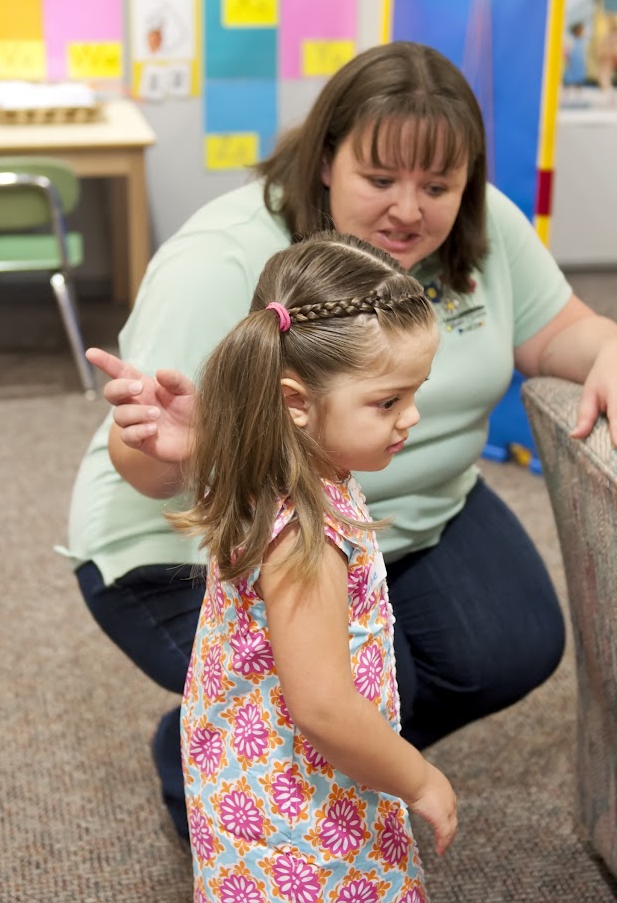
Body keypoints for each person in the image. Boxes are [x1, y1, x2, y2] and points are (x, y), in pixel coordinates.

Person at [67, 40, 617, 840]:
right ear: (326, 161)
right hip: (194, 540)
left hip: (383, 513)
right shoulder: (221, 260)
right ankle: (211, 754)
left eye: (438, 184)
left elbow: (562, 330)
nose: (410, 209)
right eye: (381, 178)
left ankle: (294, 749)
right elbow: (146, 465)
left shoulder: (475, 226)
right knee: (347, 686)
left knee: (515, 645)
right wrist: (184, 446)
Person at [174, 231, 455, 898]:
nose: (411, 416)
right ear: (297, 401)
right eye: (388, 400)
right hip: (300, 809)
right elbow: (324, 705)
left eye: (415, 390)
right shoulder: (306, 533)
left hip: (251, 774)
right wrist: (419, 778)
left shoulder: (271, 464)